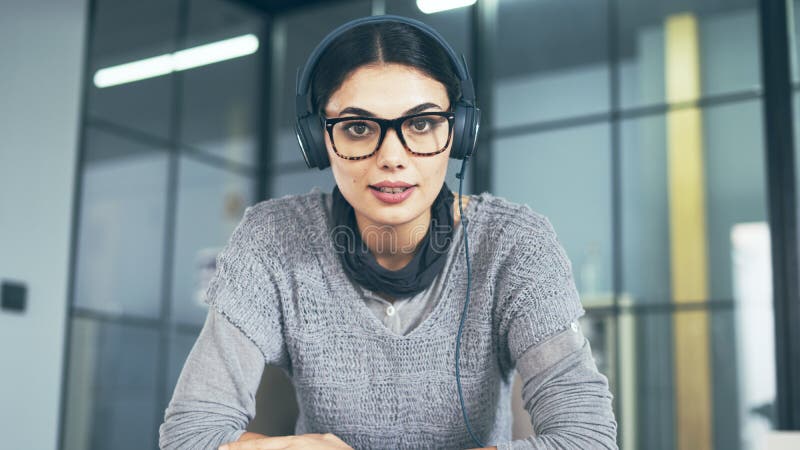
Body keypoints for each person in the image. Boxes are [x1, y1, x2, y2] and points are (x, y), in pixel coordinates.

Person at [159, 14, 618, 450]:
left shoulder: (514, 244)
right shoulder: (272, 240)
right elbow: (189, 434)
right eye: (358, 128)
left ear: (458, 131)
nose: (392, 157)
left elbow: (588, 438)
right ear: (319, 141)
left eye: (420, 124)